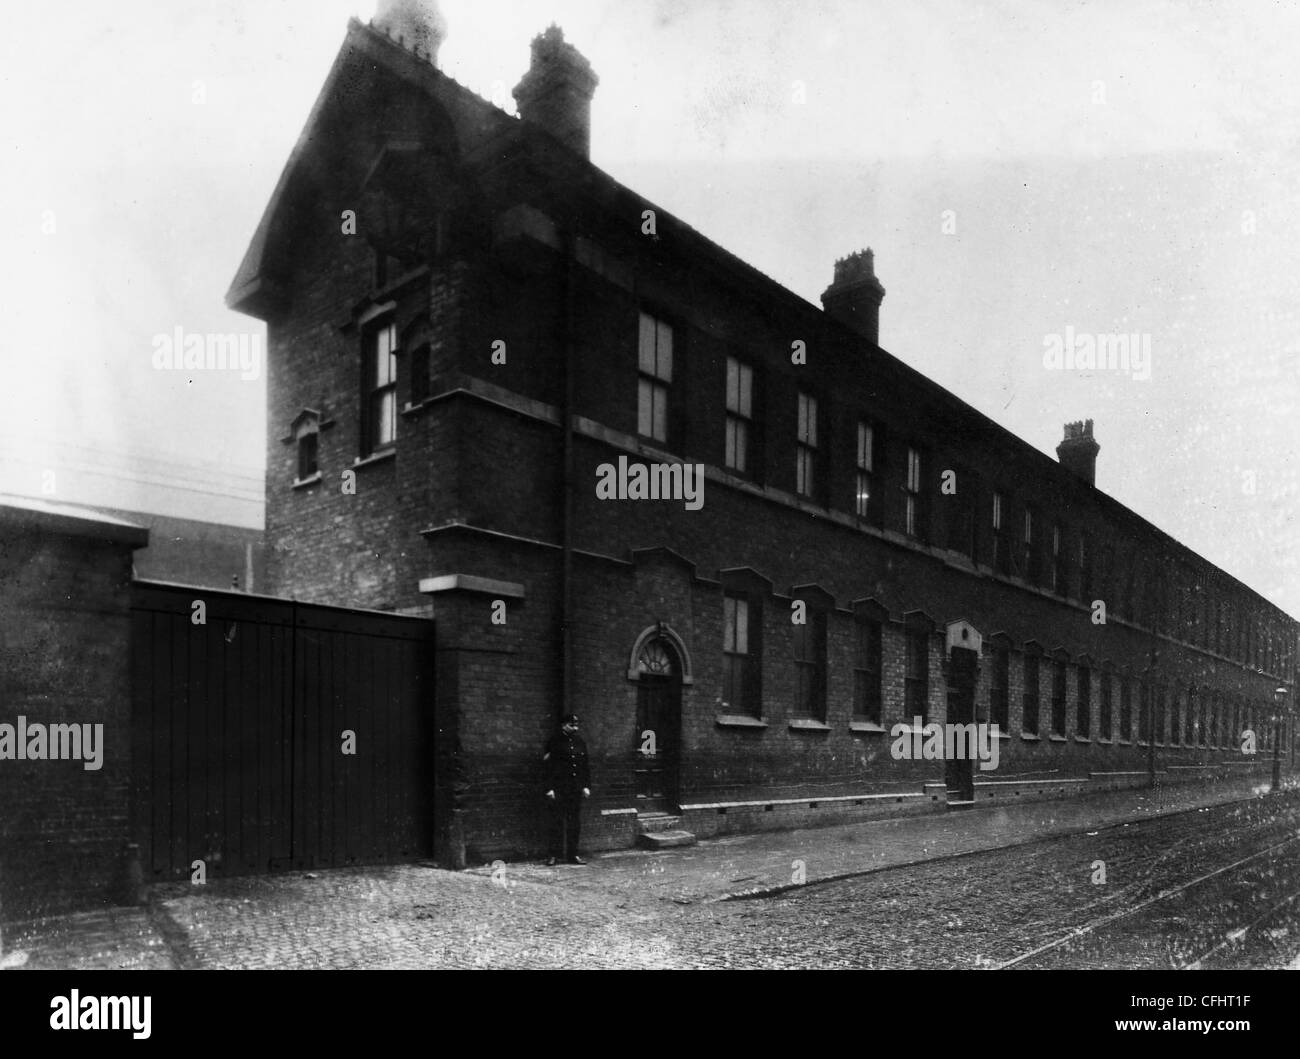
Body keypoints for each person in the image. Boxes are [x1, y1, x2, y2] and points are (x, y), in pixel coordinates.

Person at [542, 714, 591, 865]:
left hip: (575, 789)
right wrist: (549, 788)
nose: (575, 728)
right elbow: (547, 767)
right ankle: (553, 855)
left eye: (576, 725)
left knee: (574, 823)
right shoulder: (554, 741)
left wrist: (586, 786)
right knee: (556, 822)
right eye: (572, 725)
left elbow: (584, 766)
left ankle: (573, 854)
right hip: (559, 789)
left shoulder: (580, 742)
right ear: (563, 725)